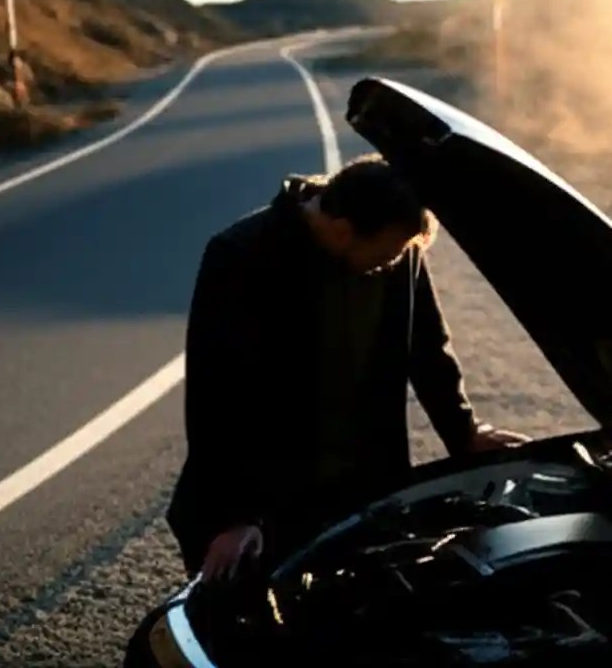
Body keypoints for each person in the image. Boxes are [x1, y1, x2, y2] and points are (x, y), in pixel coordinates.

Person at [165, 152, 526, 583]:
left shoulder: (397, 245)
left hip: (360, 492)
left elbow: (428, 347)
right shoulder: (240, 256)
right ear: (341, 230)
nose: (393, 263)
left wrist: (464, 432)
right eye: (384, 256)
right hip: (264, 500)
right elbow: (215, 395)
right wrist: (232, 516)